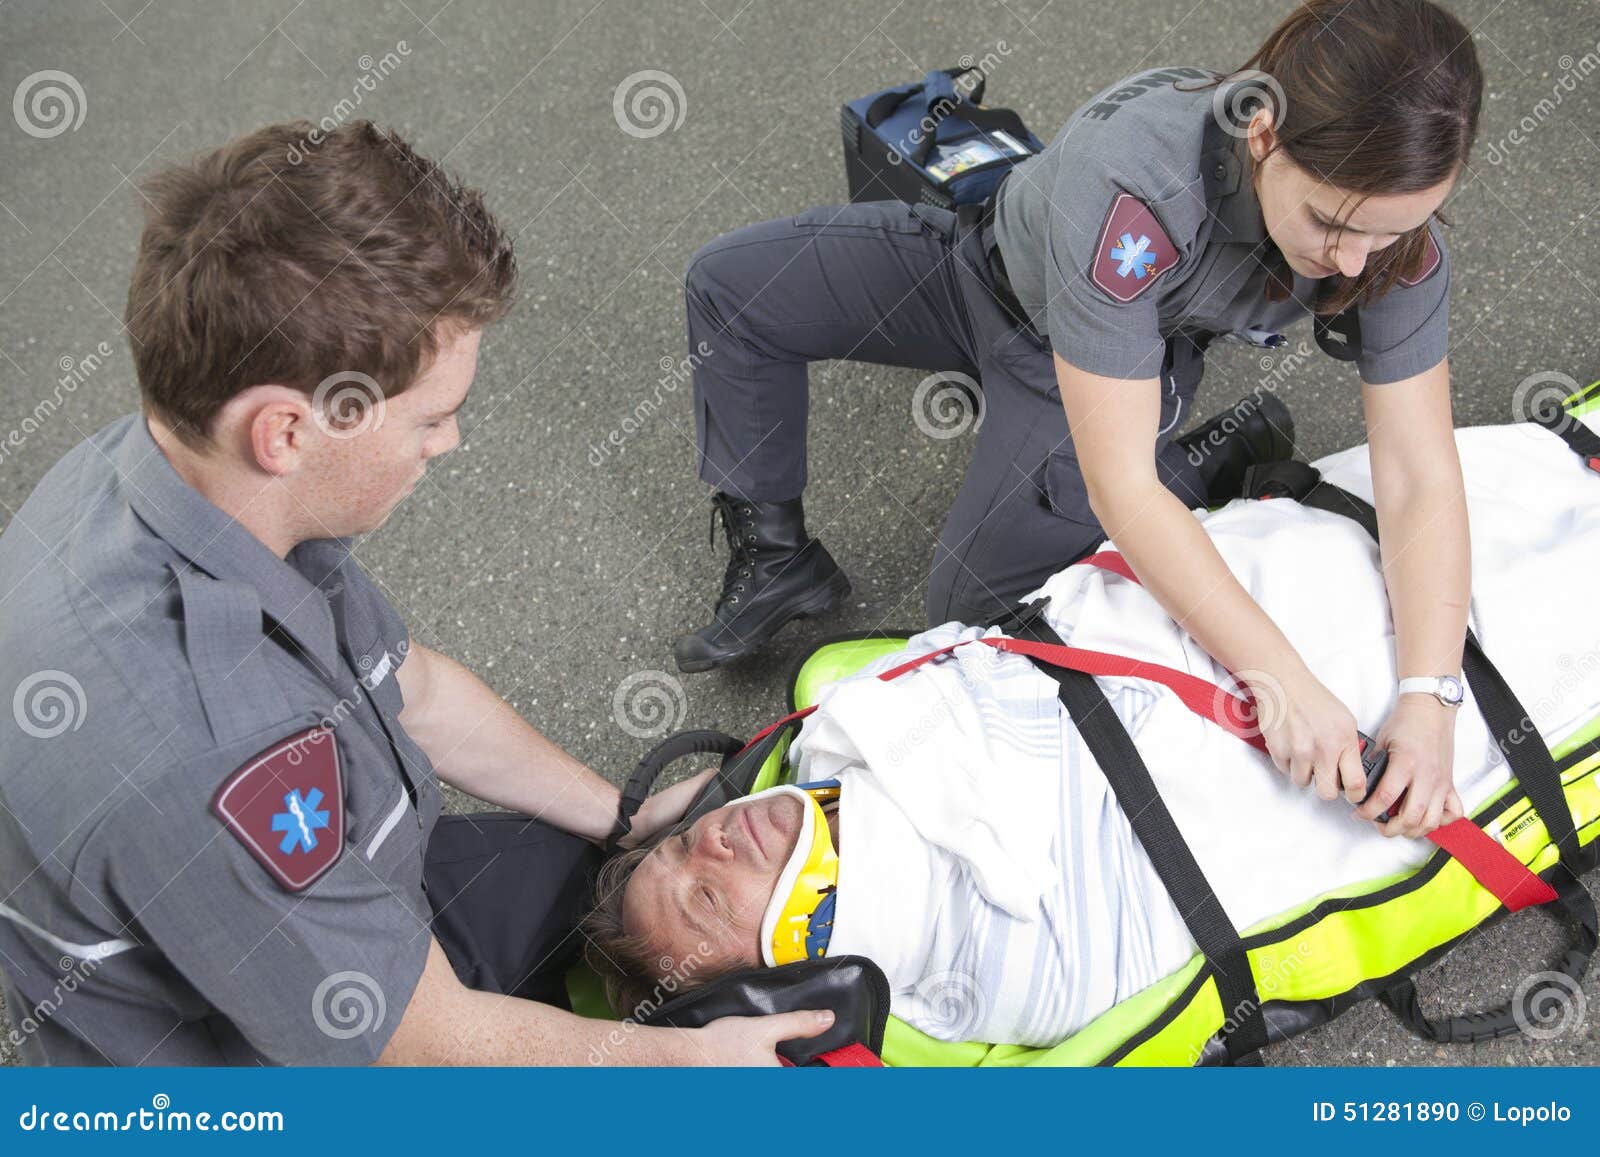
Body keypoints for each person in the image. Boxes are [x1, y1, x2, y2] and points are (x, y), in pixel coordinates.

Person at [0, 121, 831, 1066]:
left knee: (594, 878)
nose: (449, 444)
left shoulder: (160, 469)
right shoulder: (206, 752)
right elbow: (423, 1039)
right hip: (238, 1063)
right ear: (285, 432)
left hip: (338, 889)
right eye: (431, 419)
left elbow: (414, 692)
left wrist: (623, 816)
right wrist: (684, 1065)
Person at [673, 0, 1482, 838]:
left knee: (969, 606)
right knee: (731, 289)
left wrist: (1431, 698)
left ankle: (1197, 462)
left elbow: (1420, 473)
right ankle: (778, 559)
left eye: (1392, 233)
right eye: (1330, 222)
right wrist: (1279, 674)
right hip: (980, 258)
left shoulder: (1396, 242)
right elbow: (1123, 488)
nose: (1356, 261)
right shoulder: (1134, 185)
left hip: (1106, 370)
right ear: (1264, 134)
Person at [591, 406, 1600, 1045]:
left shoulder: (843, 730)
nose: (713, 840)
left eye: (682, 843)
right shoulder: (981, 972)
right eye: (712, 894)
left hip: (1281, 578)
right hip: (1384, 721)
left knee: (1514, 494)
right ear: (793, 966)